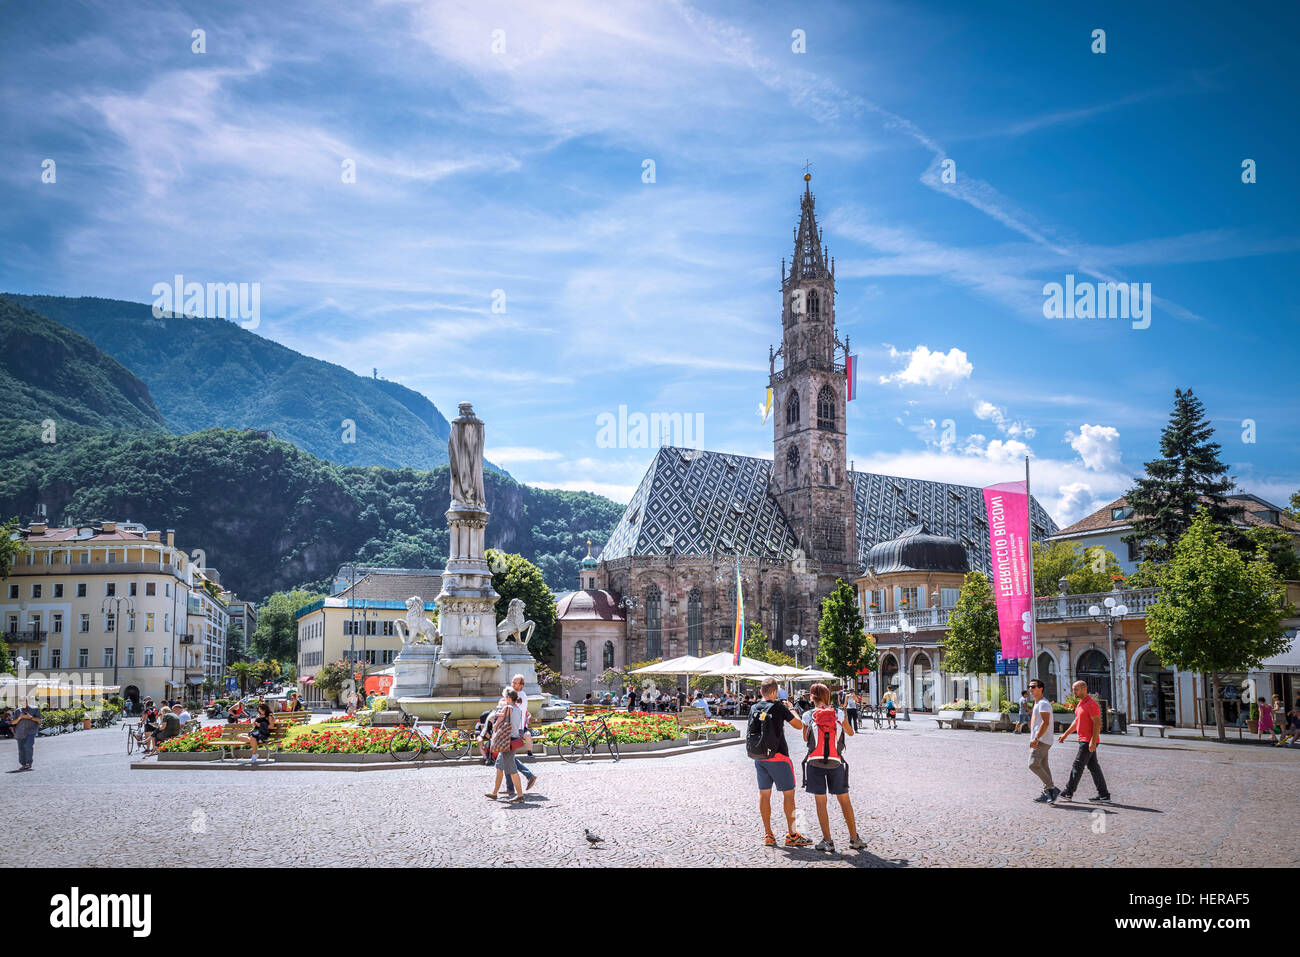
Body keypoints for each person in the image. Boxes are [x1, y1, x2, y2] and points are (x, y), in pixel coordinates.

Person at [800, 683, 867, 852]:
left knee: (821, 802)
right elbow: (850, 733)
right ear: (828, 696)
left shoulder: (808, 715)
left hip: (814, 762)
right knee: (844, 800)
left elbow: (804, 738)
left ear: (812, 697)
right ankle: (854, 838)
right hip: (836, 762)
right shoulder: (837, 713)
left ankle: (828, 841)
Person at [748, 677, 812, 847]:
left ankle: (768, 834)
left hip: (760, 757)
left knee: (764, 794)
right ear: (775, 692)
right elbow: (798, 725)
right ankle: (792, 835)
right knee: (789, 795)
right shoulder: (778, 707)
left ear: (761, 692)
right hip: (779, 757)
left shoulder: (754, 707)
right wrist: (792, 709)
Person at [1057, 680, 1110, 804]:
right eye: (1073, 689)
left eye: (1076, 689)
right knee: (1094, 767)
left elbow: (1097, 723)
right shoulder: (1080, 703)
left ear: (1084, 689)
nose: (1073, 692)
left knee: (1077, 765)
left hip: (1088, 741)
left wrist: (1093, 740)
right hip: (1083, 740)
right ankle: (1104, 794)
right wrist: (1065, 735)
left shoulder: (1091, 704)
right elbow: (1076, 722)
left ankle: (1068, 792)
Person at [484, 688, 528, 803]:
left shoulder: (507, 708)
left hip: (506, 742)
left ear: (508, 698)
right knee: (499, 767)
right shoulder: (518, 709)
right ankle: (494, 793)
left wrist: (495, 724)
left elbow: (496, 725)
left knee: (512, 770)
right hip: (513, 739)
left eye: (505, 697)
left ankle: (520, 796)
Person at [1026, 679, 1059, 803]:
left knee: (1033, 764)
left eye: (1033, 687)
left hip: (1042, 740)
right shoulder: (1037, 703)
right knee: (1044, 766)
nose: (1030, 689)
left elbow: (1045, 723)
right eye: (1029, 687)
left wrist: (1036, 738)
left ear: (1041, 688)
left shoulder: (1043, 704)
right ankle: (1047, 792)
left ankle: (1051, 788)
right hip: (1042, 739)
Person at [10, 698, 41, 771]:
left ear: (27, 701)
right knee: (21, 750)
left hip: (31, 732)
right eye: (21, 702)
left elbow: (39, 719)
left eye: (24, 701)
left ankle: (28, 763)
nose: (23, 703)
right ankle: (23, 764)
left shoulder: (35, 709)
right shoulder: (18, 710)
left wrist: (30, 717)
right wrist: (19, 718)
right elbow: (13, 722)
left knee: (28, 746)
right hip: (20, 732)